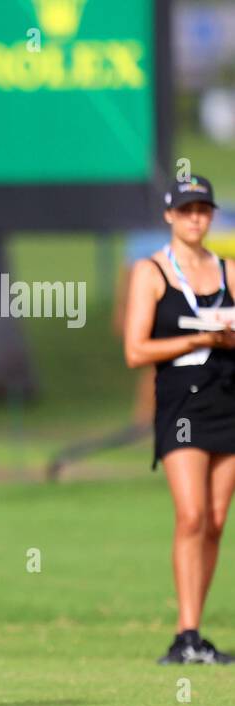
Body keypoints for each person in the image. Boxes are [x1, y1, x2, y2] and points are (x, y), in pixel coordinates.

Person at [123, 174, 235, 665]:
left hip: (227, 399)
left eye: (203, 210)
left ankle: (197, 632)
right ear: (169, 214)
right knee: (190, 514)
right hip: (181, 403)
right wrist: (197, 339)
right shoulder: (151, 272)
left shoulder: (230, 270)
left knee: (213, 521)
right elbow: (135, 349)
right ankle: (184, 633)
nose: (195, 218)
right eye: (186, 209)